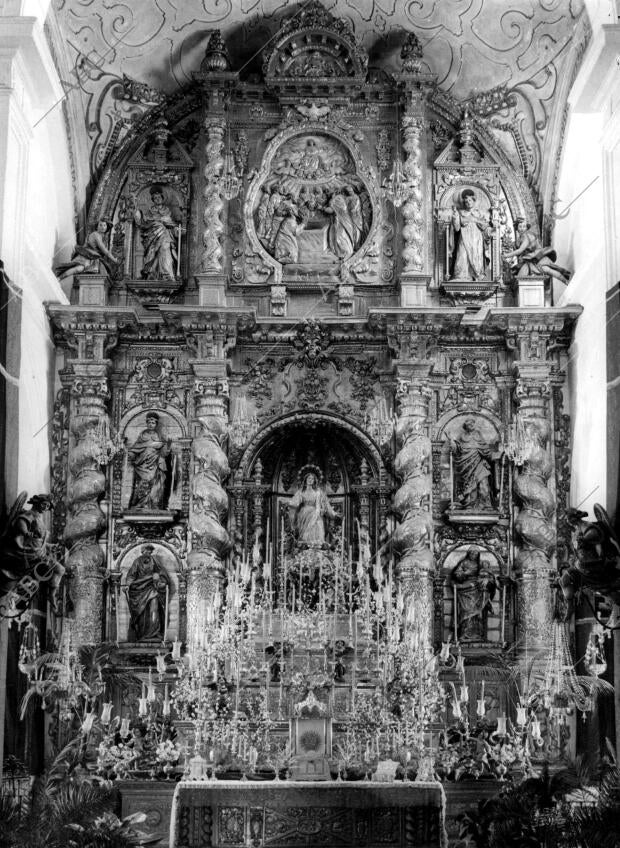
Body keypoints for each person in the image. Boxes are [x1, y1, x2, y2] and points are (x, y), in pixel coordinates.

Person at [449, 418, 498, 510]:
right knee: (470, 488)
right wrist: (452, 443)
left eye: (472, 424)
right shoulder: (462, 436)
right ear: (465, 426)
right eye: (468, 424)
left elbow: (485, 449)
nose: (470, 426)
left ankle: (486, 505)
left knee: (484, 484)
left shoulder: (478, 435)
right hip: (466, 466)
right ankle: (469, 505)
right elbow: (457, 449)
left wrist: (495, 455)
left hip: (479, 464)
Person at [503, 217, 571, 283]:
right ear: (516, 228)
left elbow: (520, 250)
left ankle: (566, 281)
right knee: (546, 270)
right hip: (530, 260)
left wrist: (506, 255)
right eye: (520, 226)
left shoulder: (526, 236)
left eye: (524, 226)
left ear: (526, 227)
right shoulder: (519, 239)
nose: (522, 229)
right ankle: (566, 281)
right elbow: (519, 253)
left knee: (548, 270)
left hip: (537, 256)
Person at [450, 547, 498, 641]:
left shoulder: (480, 564)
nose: (474, 555)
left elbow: (489, 574)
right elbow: (456, 574)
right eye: (472, 553)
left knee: (478, 612)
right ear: (469, 553)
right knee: (466, 610)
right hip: (465, 588)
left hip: (478, 588)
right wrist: (465, 573)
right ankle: (464, 634)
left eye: (476, 554)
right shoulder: (464, 563)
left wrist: (487, 579)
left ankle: (478, 635)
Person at [127, 413, 172, 511]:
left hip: (155, 462)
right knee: (142, 483)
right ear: (147, 423)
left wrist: (168, 446)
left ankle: (155, 505)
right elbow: (136, 447)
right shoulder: (143, 434)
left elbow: (164, 453)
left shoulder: (159, 435)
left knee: (156, 484)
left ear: (156, 424)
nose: (151, 424)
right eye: (149, 422)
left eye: (153, 423)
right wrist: (131, 454)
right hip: (142, 464)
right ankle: (141, 504)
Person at [134, 186, 181, 280]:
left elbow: (171, 224)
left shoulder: (167, 211)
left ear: (163, 198)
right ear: (153, 200)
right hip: (152, 237)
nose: (157, 199)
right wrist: (136, 212)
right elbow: (144, 223)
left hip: (165, 236)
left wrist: (176, 229)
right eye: (155, 198)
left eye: (159, 197)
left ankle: (166, 274)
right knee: (153, 253)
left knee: (165, 250)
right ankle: (152, 273)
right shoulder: (150, 211)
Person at [126, 544, 170, 640]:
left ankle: (155, 632)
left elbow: (162, 573)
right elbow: (131, 575)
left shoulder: (154, 561)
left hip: (152, 588)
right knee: (141, 612)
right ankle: (142, 634)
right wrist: (127, 585)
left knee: (154, 608)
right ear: (142, 552)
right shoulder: (137, 562)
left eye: (150, 551)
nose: (148, 553)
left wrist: (160, 579)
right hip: (139, 590)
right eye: (147, 551)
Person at [54, 220, 119, 280]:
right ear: (97, 226)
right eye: (100, 225)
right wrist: (114, 260)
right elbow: (104, 250)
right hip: (87, 255)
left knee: (80, 269)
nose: (103, 227)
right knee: (79, 269)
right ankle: (59, 278)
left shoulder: (101, 236)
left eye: (104, 225)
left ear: (107, 227)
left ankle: (59, 278)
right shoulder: (96, 235)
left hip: (93, 258)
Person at [450, 189, 490, 280]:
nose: (468, 202)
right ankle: (461, 276)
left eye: (470, 200)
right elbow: (456, 228)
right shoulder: (461, 213)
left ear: (474, 200)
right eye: (466, 201)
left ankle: (476, 275)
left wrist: (475, 220)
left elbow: (484, 226)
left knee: (476, 255)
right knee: (462, 255)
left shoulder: (479, 213)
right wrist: (455, 216)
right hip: (464, 238)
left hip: (476, 238)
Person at [288, 470, 336, 546]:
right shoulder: (301, 492)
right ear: (305, 480)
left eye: (312, 479)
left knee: (318, 523)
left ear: (314, 481)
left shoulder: (317, 492)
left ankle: (317, 545)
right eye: (309, 478)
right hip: (304, 514)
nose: (310, 480)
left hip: (315, 512)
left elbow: (318, 505)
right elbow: (294, 503)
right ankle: (305, 545)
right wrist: (290, 504)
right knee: (305, 534)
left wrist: (317, 513)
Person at [325, 191, 355, 259]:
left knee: (340, 237)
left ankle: (346, 253)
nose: (328, 194)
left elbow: (331, 210)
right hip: (339, 221)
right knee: (336, 236)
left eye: (329, 192)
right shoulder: (337, 198)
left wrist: (322, 208)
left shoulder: (338, 199)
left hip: (342, 222)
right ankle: (340, 254)